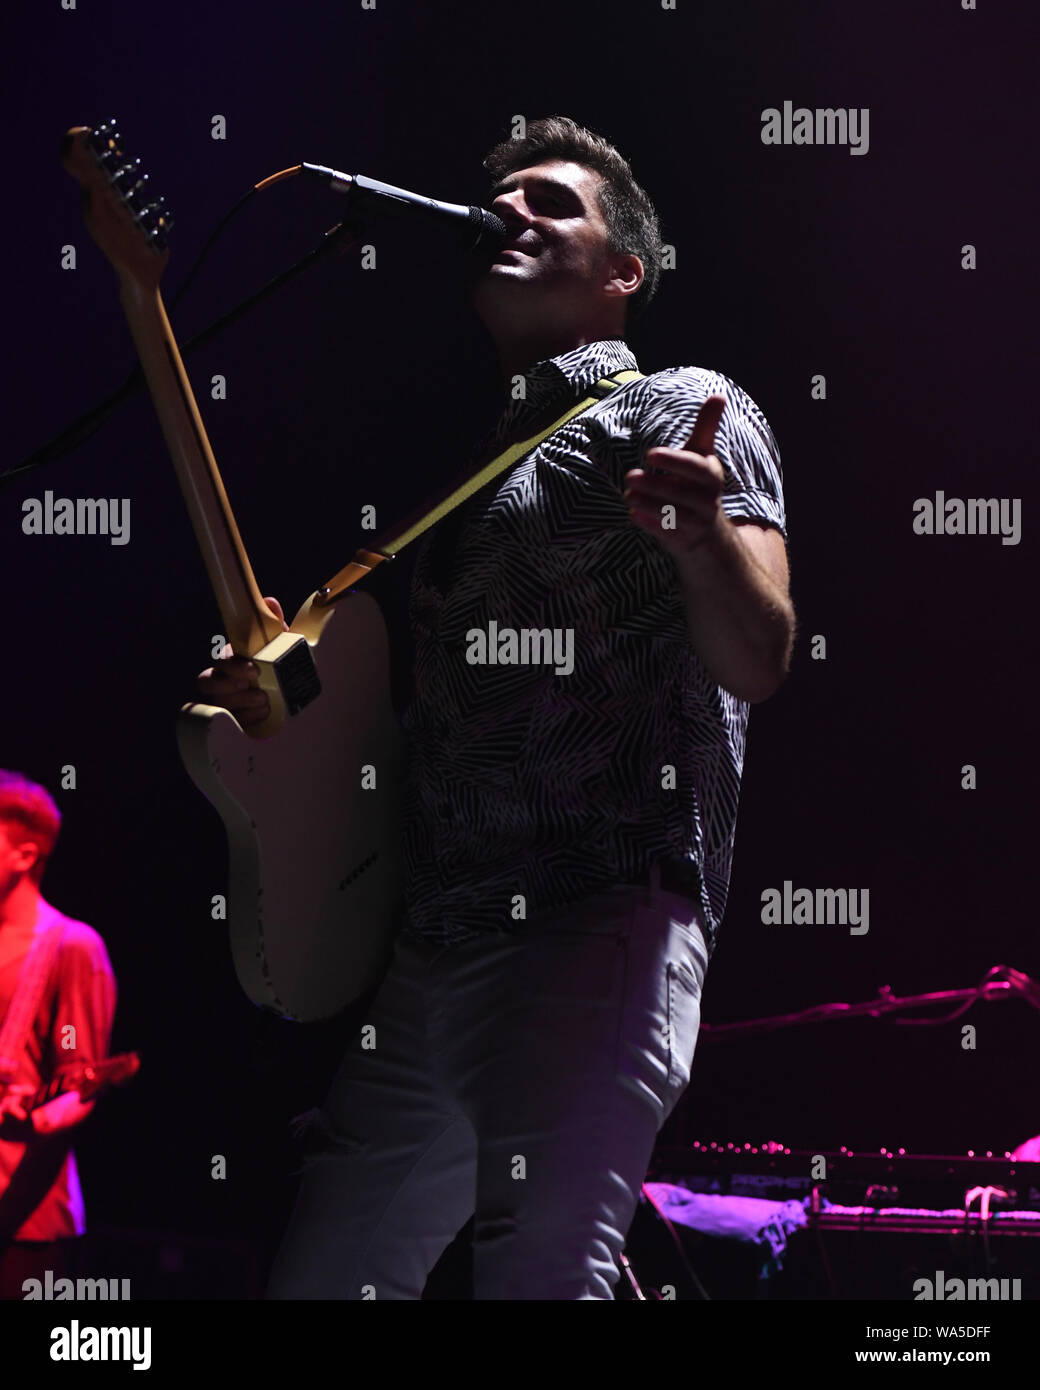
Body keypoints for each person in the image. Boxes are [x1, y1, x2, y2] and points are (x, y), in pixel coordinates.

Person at [197, 116, 795, 1299]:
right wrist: (282, 713)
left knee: (538, 1278)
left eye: (553, 203)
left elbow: (760, 652)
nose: (513, 213)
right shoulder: (475, 473)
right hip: (433, 949)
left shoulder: (680, 403)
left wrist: (701, 540)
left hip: (594, 916)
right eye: (504, 198)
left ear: (624, 271)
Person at [0, 771, 117, 1300]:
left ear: (24, 856)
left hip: (24, 1225)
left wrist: (41, 1117)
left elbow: (78, 1081)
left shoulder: (71, 948)